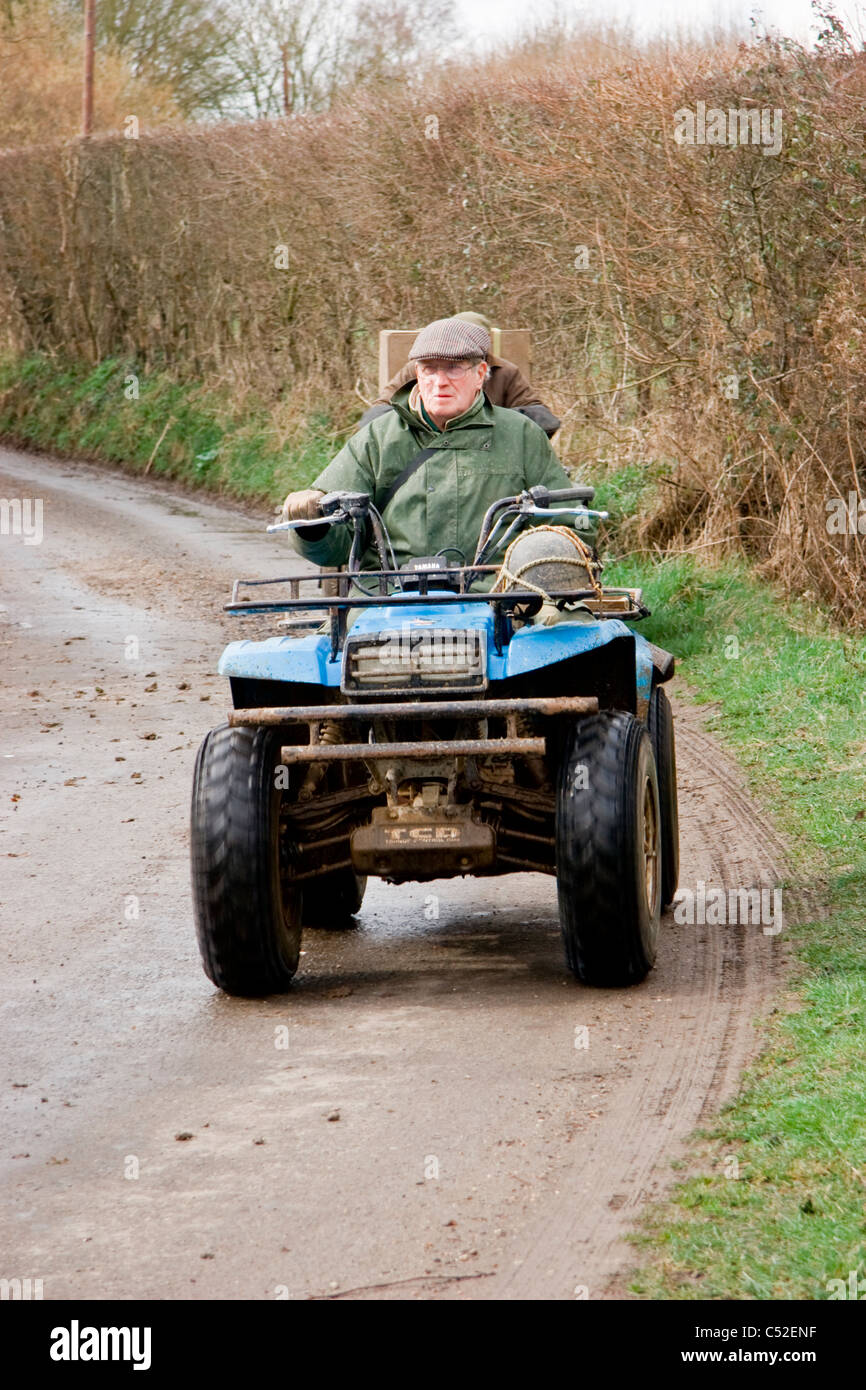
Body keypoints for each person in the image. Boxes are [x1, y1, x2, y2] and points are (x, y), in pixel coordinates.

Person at [280, 316, 573, 585]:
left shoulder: (522, 436)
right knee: (328, 643)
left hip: (501, 597)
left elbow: (566, 524)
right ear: (416, 373)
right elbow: (337, 546)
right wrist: (312, 527)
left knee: (572, 634)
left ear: (481, 373)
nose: (439, 381)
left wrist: (533, 571)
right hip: (386, 598)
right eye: (429, 369)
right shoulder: (377, 439)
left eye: (454, 368)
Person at [358, 310, 561, 438]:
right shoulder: (418, 369)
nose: (440, 379)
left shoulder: (504, 372)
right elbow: (375, 417)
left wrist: (489, 425)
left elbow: (544, 420)